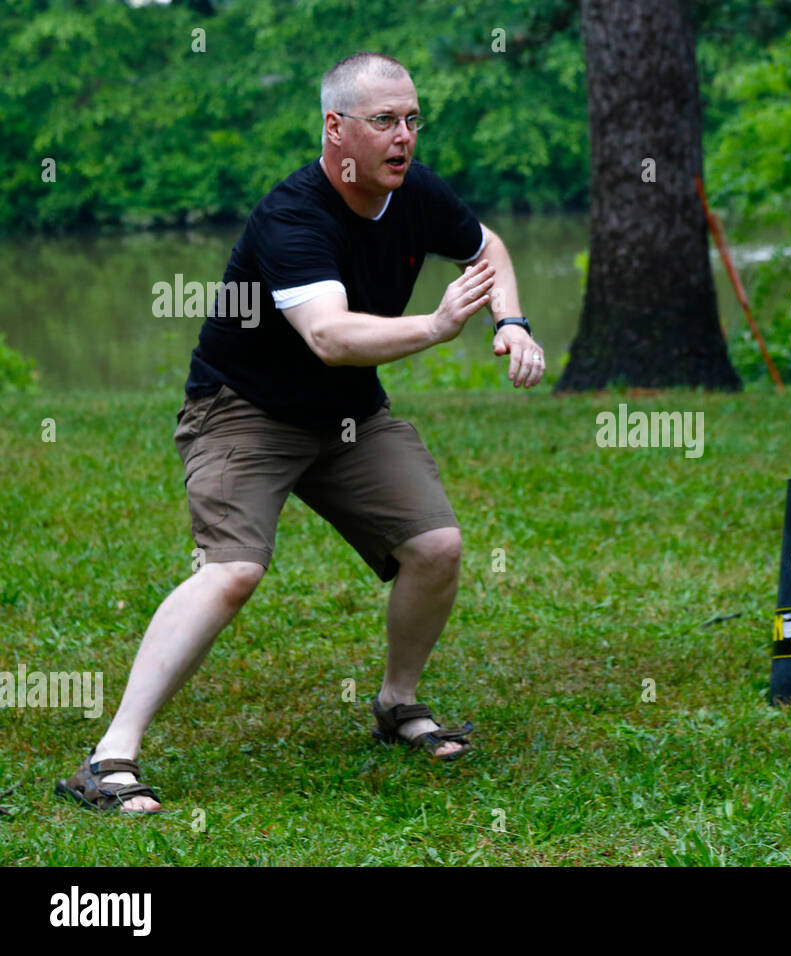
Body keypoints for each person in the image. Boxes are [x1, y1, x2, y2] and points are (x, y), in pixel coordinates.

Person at [55, 52, 544, 814]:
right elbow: (329, 336)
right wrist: (440, 325)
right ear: (335, 128)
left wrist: (510, 320)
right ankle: (109, 757)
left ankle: (396, 705)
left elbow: (488, 249)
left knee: (437, 548)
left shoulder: (414, 192)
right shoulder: (293, 214)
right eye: (384, 121)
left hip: (347, 416)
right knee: (233, 570)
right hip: (243, 408)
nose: (404, 137)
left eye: (413, 119)